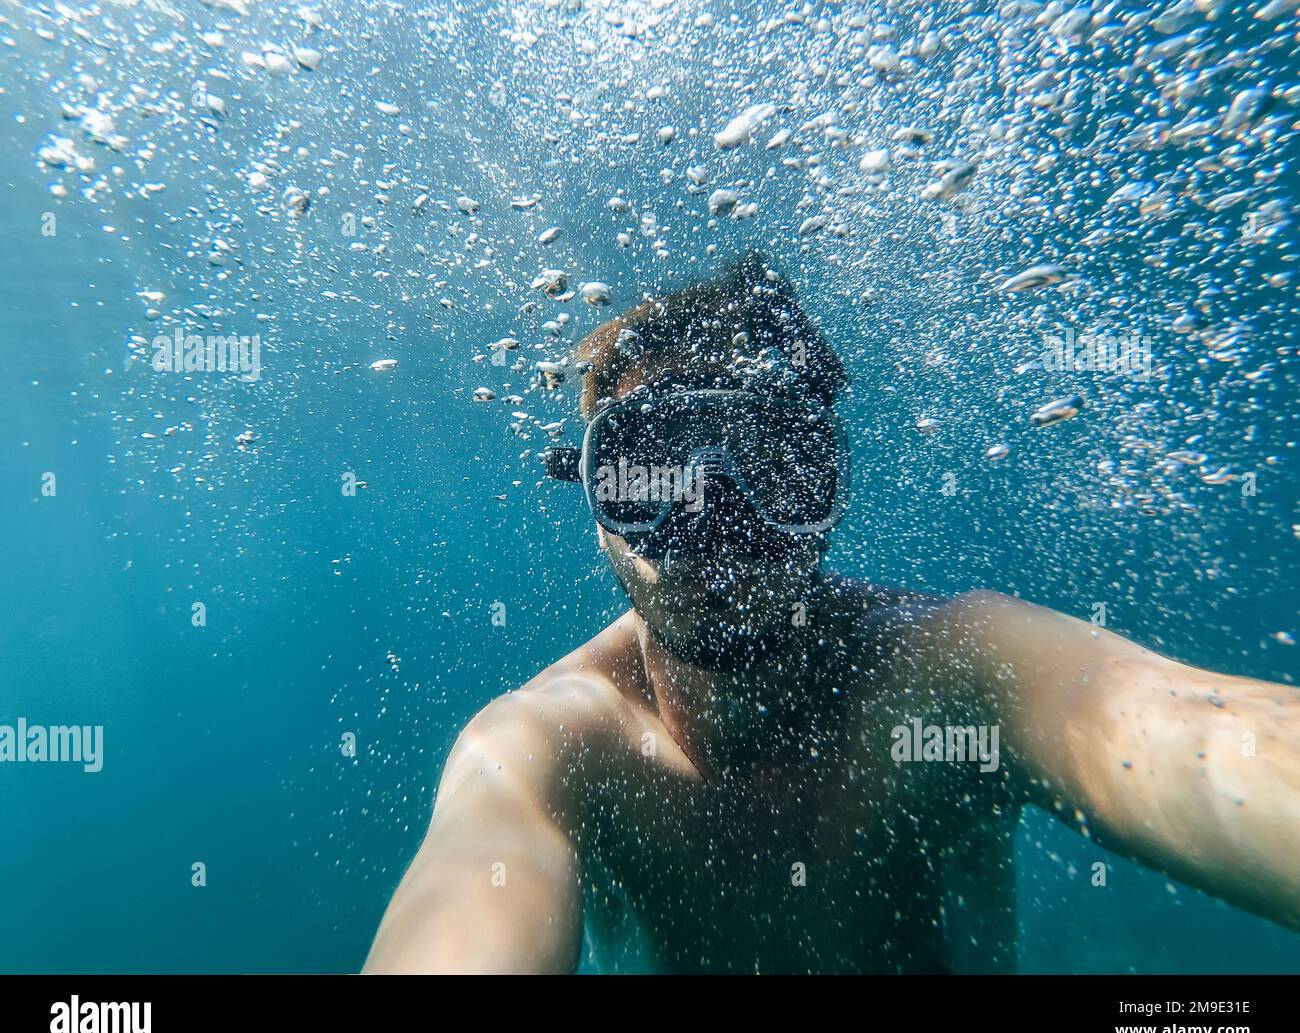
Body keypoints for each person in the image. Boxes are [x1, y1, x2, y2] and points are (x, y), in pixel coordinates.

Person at [364, 254, 1300, 974]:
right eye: (647, 465)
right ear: (592, 494)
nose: (713, 517)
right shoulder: (549, 746)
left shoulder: (954, 674)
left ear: (833, 482)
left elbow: (1185, 731)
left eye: (771, 456)